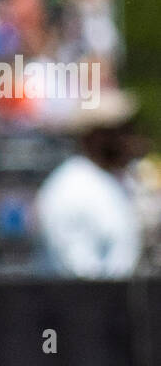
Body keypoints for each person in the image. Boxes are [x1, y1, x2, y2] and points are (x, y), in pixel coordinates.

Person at [33, 89, 144, 278]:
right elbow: (82, 277)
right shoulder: (70, 189)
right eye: (123, 130)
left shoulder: (107, 181)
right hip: (80, 297)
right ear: (97, 137)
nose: (131, 139)